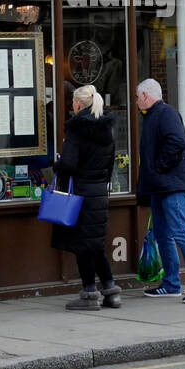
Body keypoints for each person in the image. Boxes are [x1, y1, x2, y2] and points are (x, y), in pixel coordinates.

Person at [135, 78, 185, 303]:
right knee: (162, 234)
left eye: (138, 97)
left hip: (173, 185)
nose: (137, 101)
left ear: (146, 96)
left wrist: (158, 167)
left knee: (180, 230)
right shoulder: (153, 116)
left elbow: (176, 142)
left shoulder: (165, 113)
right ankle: (171, 284)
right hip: (161, 186)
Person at [53, 84, 122, 310]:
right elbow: (110, 163)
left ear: (79, 104)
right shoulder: (107, 129)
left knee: (83, 245)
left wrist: (57, 165)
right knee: (95, 244)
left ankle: (89, 294)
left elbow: (70, 164)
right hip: (100, 192)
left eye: (73, 102)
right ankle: (111, 291)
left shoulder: (77, 128)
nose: (71, 105)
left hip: (81, 193)